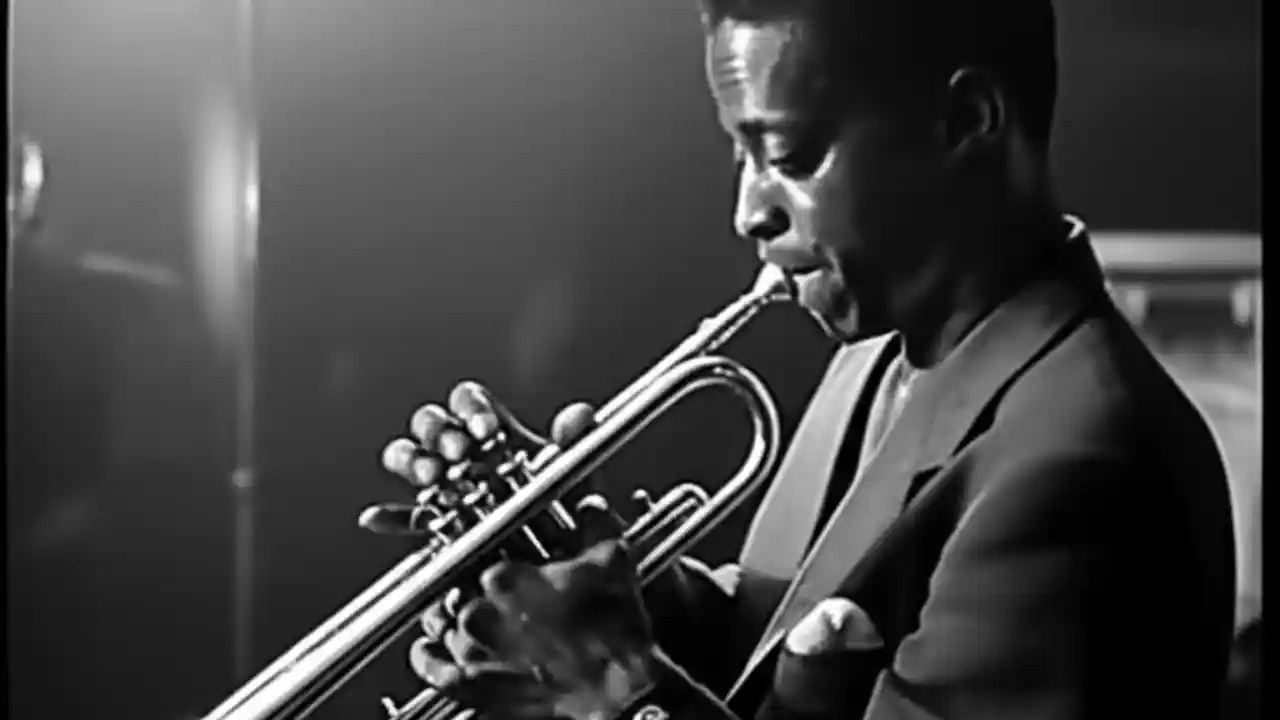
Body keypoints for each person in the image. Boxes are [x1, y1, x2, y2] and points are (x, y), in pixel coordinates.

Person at [362, 0, 1238, 717]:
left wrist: (609, 688)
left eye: (788, 155)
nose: (749, 210)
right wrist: (579, 575)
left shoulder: (1082, 470)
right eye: (740, 154)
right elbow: (768, 649)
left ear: (966, 121)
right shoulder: (880, 354)